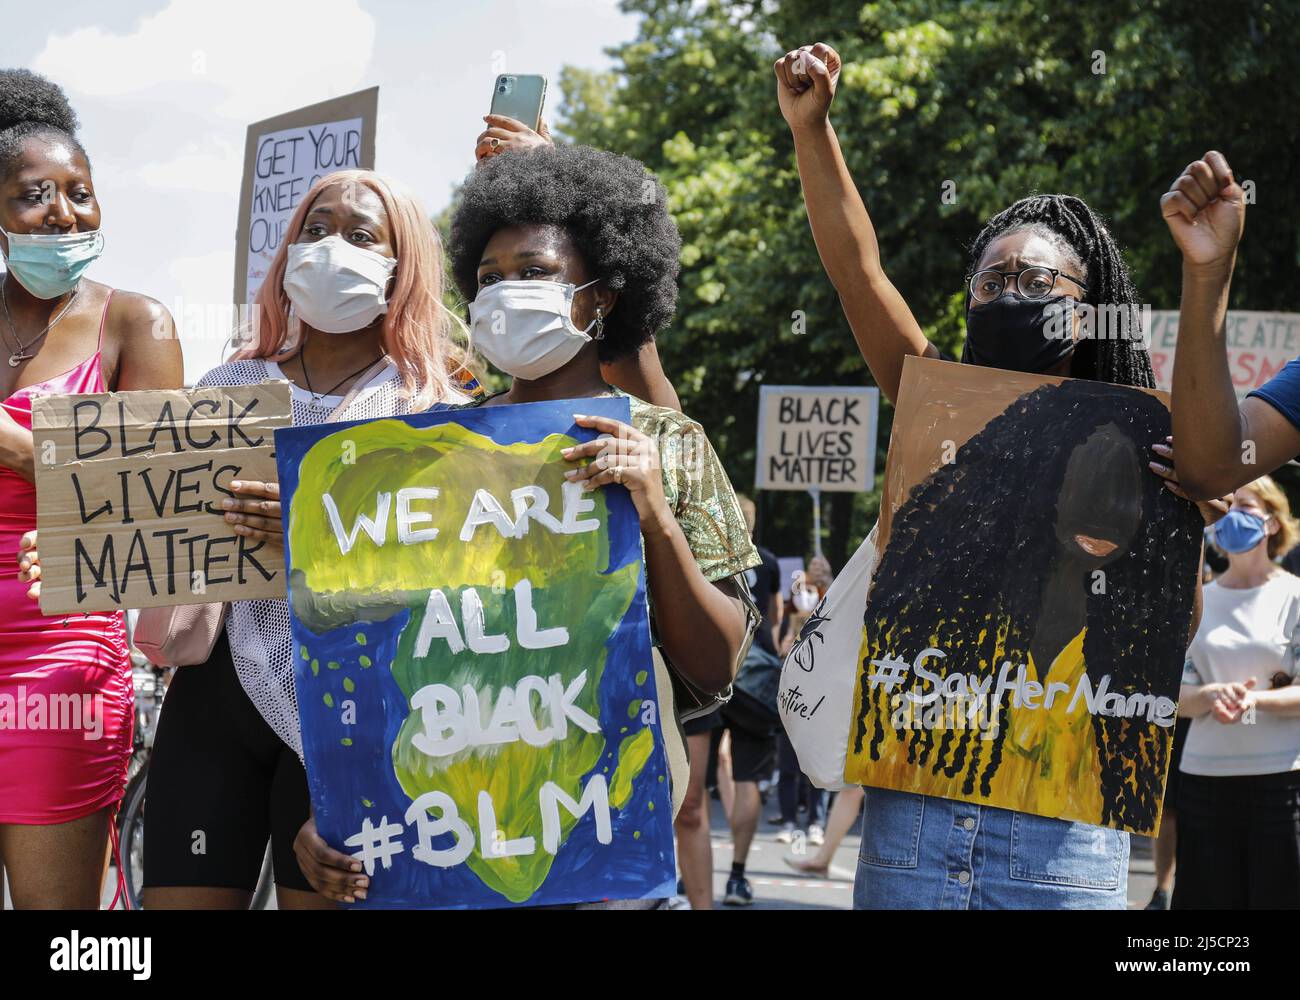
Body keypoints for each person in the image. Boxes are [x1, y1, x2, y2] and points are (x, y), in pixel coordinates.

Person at [774, 41, 1224, 909]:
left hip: (1064, 836)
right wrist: (813, 131)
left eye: (1037, 278)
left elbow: (1159, 639)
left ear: (1089, 306)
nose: (1011, 289)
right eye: (993, 278)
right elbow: (856, 271)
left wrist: (1184, 521)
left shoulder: (1146, 446)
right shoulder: (936, 409)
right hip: (912, 823)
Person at [294, 142, 761, 907]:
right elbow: (366, 658)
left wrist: (654, 518)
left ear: (600, 296)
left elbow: (713, 668)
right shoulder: (426, 451)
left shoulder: (665, 444)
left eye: (535, 272)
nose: (506, 292)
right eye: (488, 278)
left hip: (600, 840)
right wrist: (337, 815)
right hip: (448, 840)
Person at [138, 169, 470, 909]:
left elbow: (455, 588)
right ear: (287, 250)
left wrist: (319, 537)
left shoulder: (433, 407)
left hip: (358, 714)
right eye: (315, 229)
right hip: (215, 698)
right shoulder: (228, 384)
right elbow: (158, 527)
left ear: (401, 263)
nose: (329, 248)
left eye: (360, 236)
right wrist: (85, 548)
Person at [0, 69, 182, 908]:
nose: (65, 214)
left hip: (60, 659)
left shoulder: (136, 324)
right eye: (37, 195)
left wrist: (24, 452)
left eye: (82, 192)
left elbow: (161, 503)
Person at [1175, 477, 1300, 908]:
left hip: (1282, 783)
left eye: (1245, 505)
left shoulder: (1294, 595)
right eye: (1226, 506)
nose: (1232, 515)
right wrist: (1210, 696)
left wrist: (1253, 700)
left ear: (1270, 522)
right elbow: (1173, 697)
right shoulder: (1197, 600)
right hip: (1203, 781)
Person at [716, 495, 783, 905]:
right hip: (756, 683)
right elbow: (772, 621)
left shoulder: (707, 555)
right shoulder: (770, 563)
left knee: (689, 783)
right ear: (753, 526)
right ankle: (737, 876)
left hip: (710, 672)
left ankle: (687, 870)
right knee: (749, 780)